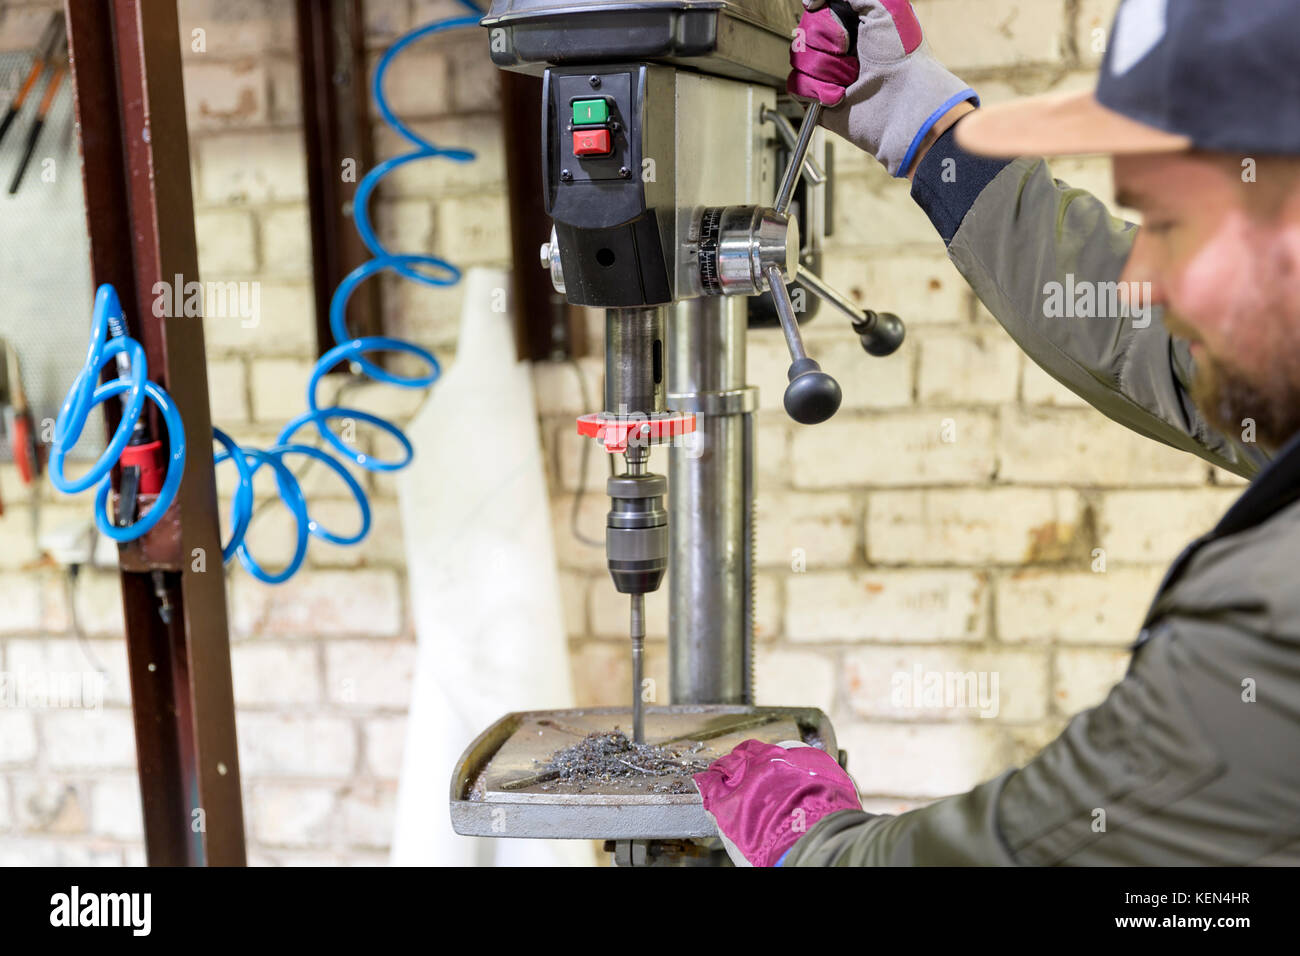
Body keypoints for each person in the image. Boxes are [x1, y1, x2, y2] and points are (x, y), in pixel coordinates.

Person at [693, 0, 1300, 865]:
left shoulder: (1270, 628)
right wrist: (919, 119)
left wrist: (812, 851)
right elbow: (1138, 337)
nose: (1152, 276)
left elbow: (1038, 850)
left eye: (1172, 224)